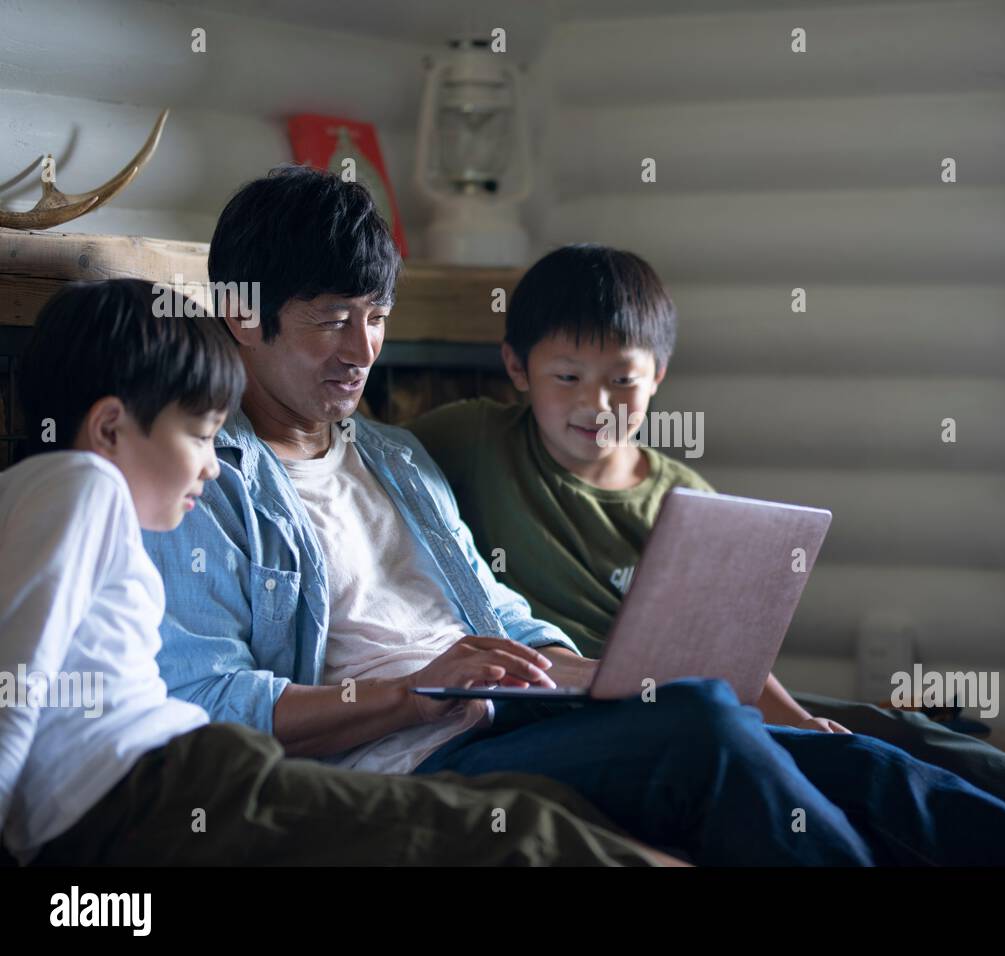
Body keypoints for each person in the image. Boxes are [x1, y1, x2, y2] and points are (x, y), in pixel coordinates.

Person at [146, 164, 1005, 866]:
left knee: (853, 752)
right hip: (414, 751)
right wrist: (413, 693)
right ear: (242, 314)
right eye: (331, 320)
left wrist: (560, 661)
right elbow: (206, 696)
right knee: (702, 728)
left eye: (376, 316)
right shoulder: (202, 477)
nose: (362, 349)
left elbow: (497, 607)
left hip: (517, 708)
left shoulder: (398, 454)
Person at [404, 242, 1005, 868]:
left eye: (622, 379)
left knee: (923, 742)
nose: (596, 405)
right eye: (567, 378)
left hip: (705, 691)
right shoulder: (466, 440)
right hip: (617, 715)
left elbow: (726, 650)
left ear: (659, 378)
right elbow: (355, 473)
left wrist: (799, 717)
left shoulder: (683, 497)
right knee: (865, 763)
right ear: (516, 370)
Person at [0, 278, 675, 867]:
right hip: (161, 789)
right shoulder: (82, 486)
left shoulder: (63, 498)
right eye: (201, 435)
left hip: (186, 778)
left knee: (535, 808)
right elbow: (14, 684)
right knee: (516, 834)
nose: (212, 464)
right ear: (111, 429)